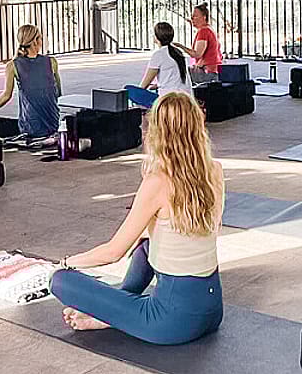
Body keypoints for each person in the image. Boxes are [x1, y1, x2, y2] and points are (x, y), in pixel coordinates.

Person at [50, 92, 224, 345]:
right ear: (198, 124)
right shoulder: (215, 170)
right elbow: (198, 231)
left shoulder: (159, 181)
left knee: (60, 281)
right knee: (146, 244)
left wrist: (65, 262)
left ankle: (112, 312)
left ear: (157, 132)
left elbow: (113, 252)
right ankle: (114, 312)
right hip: (211, 311)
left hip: (172, 322)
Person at [0, 24, 61, 141]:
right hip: (54, 125)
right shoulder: (52, 62)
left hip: (30, 129)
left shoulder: (12, 65)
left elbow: (6, 96)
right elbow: (58, 92)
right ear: (35, 41)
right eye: (41, 38)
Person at [126, 21, 193, 109]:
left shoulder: (159, 55)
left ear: (157, 37)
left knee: (128, 90)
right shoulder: (178, 52)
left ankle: (147, 114)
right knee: (153, 90)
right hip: (187, 97)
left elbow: (144, 85)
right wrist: (158, 85)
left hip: (168, 100)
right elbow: (176, 77)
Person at [173, 4, 222, 83]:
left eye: (195, 16)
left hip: (207, 72)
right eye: (192, 16)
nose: (192, 19)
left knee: (178, 75)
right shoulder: (210, 29)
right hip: (214, 70)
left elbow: (197, 54)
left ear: (204, 17)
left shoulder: (204, 31)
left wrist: (180, 46)